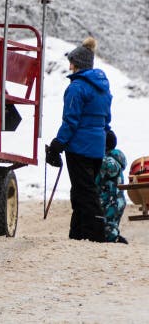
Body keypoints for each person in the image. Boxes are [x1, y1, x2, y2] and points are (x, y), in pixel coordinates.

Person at [46, 37, 110, 242]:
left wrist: (58, 143)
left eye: (71, 62)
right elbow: (105, 119)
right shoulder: (103, 87)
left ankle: (95, 234)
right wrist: (106, 132)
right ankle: (78, 234)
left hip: (79, 146)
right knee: (83, 189)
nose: (69, 65)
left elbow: (71, 121)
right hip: (97, 146)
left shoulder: (77, 87)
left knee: (85, 192)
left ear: (77, 64)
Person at [97, 129, 128, 244]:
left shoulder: (106, 161)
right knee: (112, 223)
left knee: (108, 224)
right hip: (118, 199)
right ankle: (115, 236)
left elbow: (107, 172)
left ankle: (113, 238)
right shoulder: (117, 159)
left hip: (110, 200)